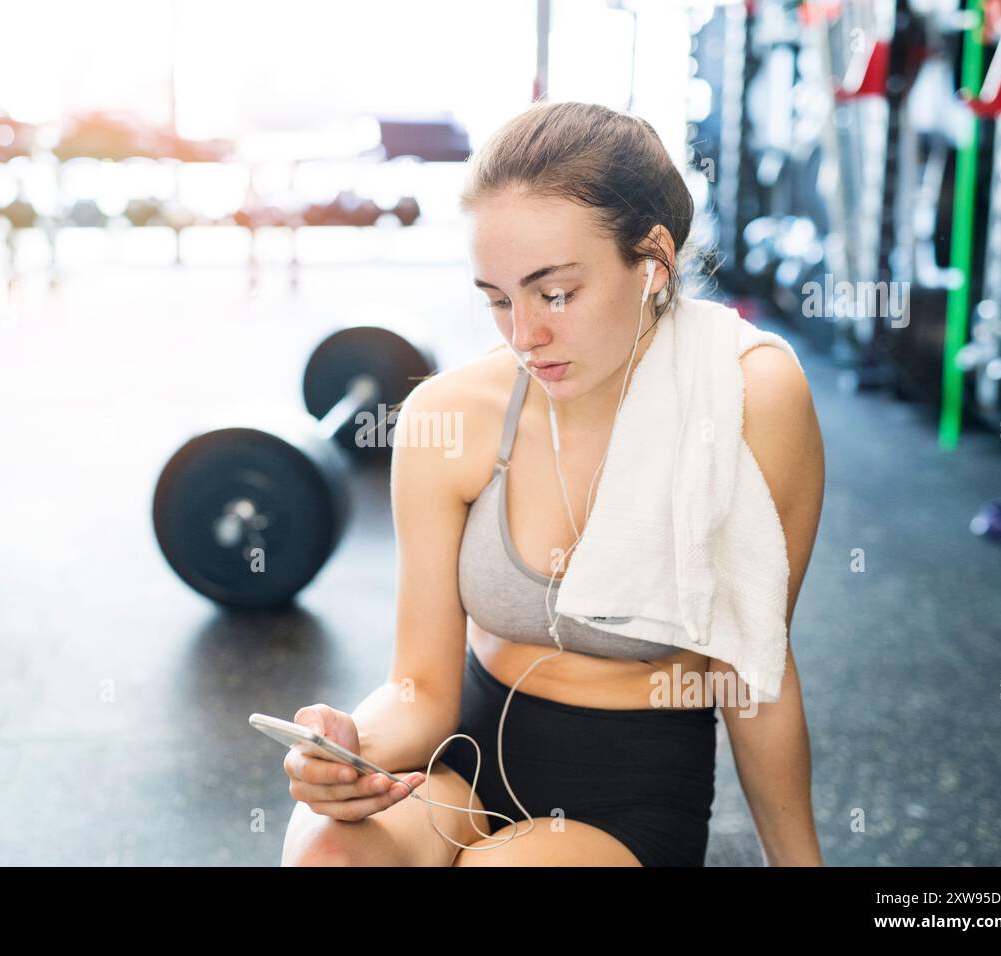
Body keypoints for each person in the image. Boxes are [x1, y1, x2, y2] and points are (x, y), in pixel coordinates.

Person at [280, 101, 826, 867]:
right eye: (498, 298)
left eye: (554, 292)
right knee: (327, 856)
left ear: (654, 263)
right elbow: (420, 688)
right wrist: (345, 749)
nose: (522, 335)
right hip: (463, 758)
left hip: (629, 794)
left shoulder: (751, 395)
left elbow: (753, 674)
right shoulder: (451, 415)